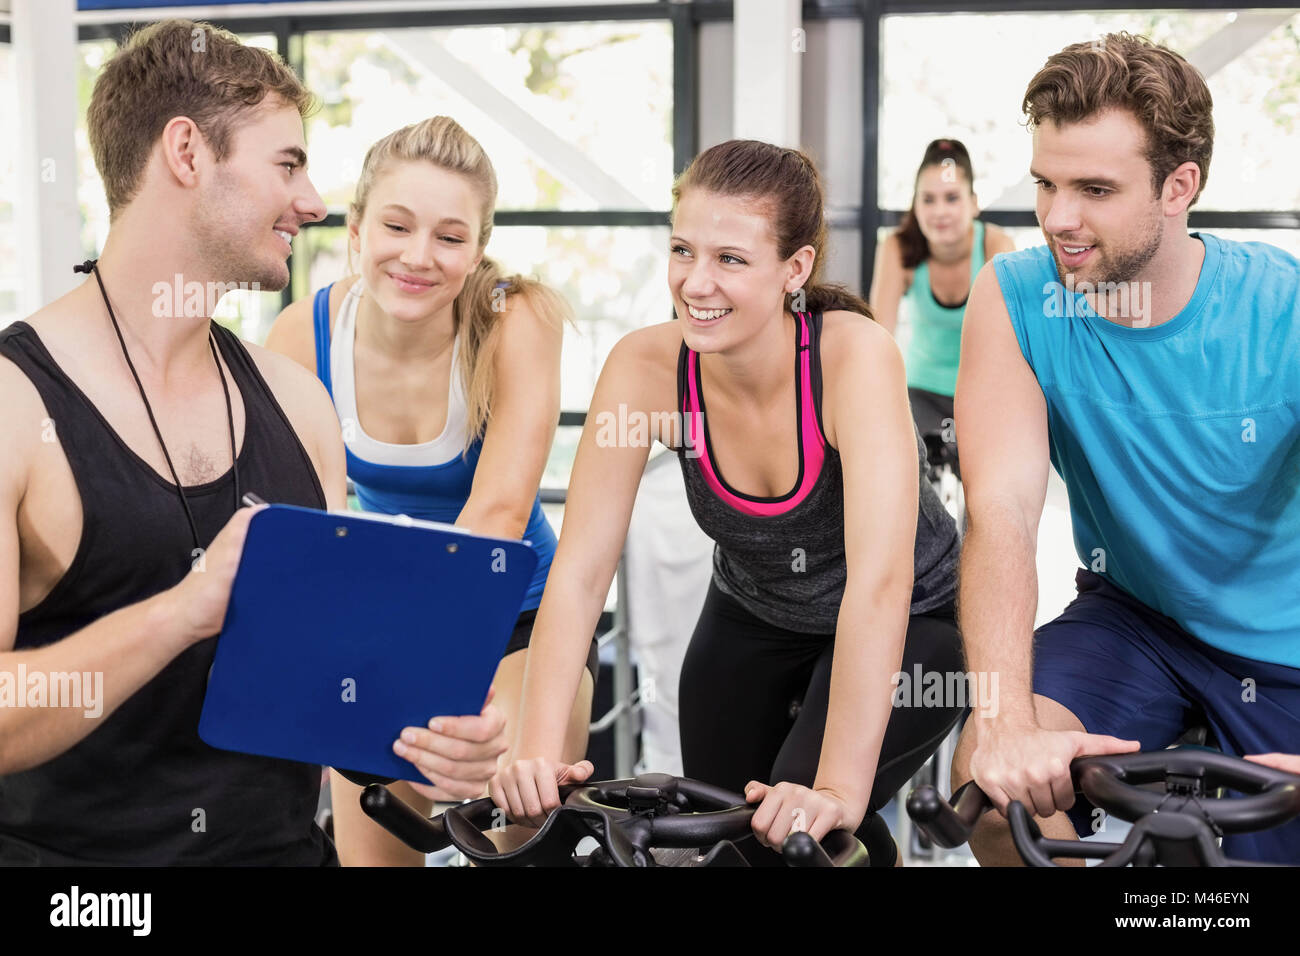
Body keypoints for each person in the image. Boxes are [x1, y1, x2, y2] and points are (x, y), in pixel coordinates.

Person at [0, 20, 505, 866]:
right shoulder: (16, 406)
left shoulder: (300, 408)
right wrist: (178, 614)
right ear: (188, 153)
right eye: (287, 164)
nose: (312, 203)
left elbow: (339, 706)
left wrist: (433, 750)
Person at [483, 140, 966, 867]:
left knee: (793, 841)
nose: (695, 283)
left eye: (731, 260)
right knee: (713, 844)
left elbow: (878, 586)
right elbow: (581, 572)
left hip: (915, 626)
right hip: (752, 615)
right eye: (683, 250)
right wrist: (537, 763)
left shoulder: (851, 358)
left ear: (794, 270)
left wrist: (835, 788)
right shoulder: (645, 369)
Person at [951, 32, 1300, 865]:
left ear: (1181, 186)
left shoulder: (1283, 311)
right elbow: (999, 513)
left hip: (1286, 647)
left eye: (1095, 189)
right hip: (1136, 622)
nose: (1058, 218)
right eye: (1046, 183)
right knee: (996, 796)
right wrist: (1002, 725)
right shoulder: (1017, 298)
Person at [266, 115, 590, 865]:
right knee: (373, 855)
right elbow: (312, 527)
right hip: (382, 620)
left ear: (478, 247)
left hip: (519, 615)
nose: (418, 257)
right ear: (355, 228)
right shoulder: (302, 333)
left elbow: (501, 510)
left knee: (518, 832)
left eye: (450, 236)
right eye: (397, 226)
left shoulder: (517, 318)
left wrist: (423, 673)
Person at [870, 139, 1015, 475]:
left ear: (974, 203)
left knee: (989, 489)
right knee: (907, 477)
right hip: (921, 392)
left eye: (952, 198)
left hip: (982, 393)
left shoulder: (996, 245)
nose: (939, 212)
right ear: (915, 206)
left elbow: (1008, 344)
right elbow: (878, 337)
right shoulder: (897, 248)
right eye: (928, 199)